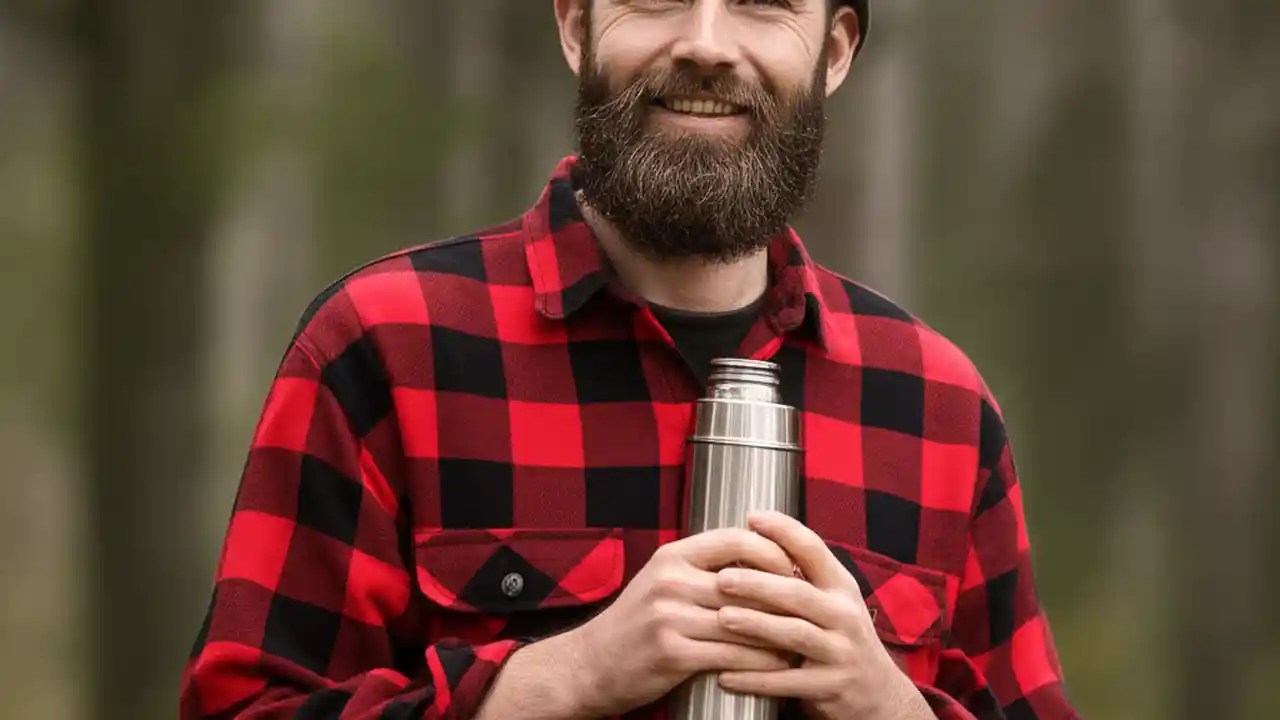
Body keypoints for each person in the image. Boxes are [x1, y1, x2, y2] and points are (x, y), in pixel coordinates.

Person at [182, 1, 1079, 718]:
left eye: (763, 3)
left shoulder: (936, 405)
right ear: (576, 24)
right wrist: (555, 682)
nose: (705, 42)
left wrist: (887, 706)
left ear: (835, 52)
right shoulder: (387, 346)